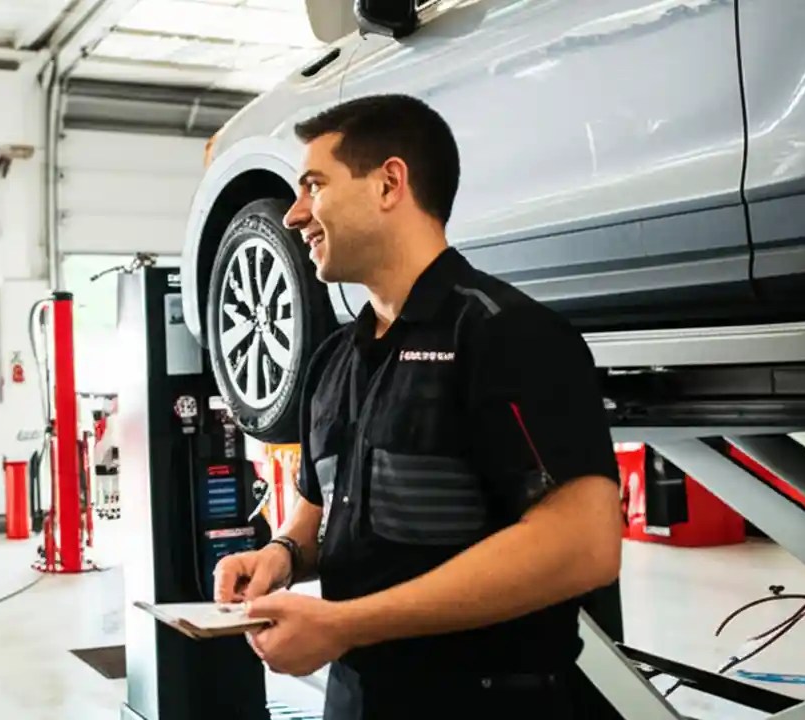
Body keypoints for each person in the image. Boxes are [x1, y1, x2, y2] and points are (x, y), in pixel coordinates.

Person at [213, 94, 624, 719]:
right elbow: (316, 513)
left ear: (389, 184)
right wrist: (280, 556)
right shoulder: (332, 361)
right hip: (357, 700)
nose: (294, 215)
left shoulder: (505, 335)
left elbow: (584, 544)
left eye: (314, 186)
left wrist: (346, 623)